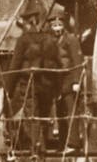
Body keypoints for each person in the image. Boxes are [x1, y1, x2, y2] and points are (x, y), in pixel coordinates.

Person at [6, 10, 60, 150]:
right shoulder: (50, 39)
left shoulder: (23, 40)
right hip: (47, 84)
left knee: (32, 115)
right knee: (43, 114)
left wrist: (8, 89)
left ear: (29, 22)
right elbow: (56, 62)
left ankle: (36, 150)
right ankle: (44, 144)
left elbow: (15, 65)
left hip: (30, 82)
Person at [49, 11, 83, 150]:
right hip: (57, 82)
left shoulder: (71, 39)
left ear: (63, 25)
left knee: (71, 111)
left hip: (69, 79)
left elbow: (77, 60)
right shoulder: (50, 41)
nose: (57, 28)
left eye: (59, 25)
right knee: (60, 112)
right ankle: (63, 142)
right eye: (54, 25)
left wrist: (76, 81)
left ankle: (73, 143)